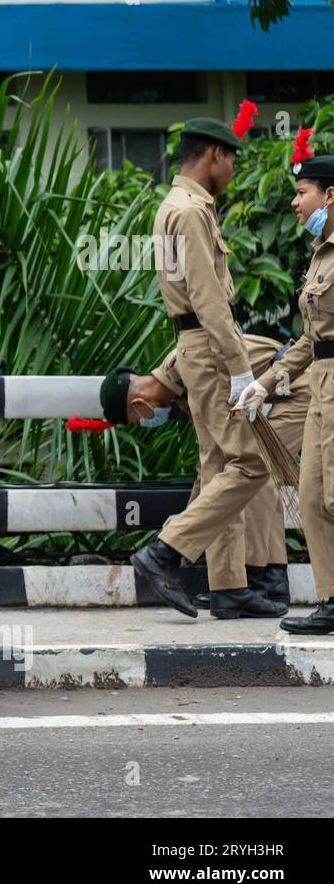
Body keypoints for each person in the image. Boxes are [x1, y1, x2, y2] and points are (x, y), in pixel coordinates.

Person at [130, 109, 285, 620]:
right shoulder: (192, 211)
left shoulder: (172, 205)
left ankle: (228, 586)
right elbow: (209, 300)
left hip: (196, 347)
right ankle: (164, 551)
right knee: (251, 461)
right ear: (214, 155)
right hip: (212, 347)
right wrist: (240, 367)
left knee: (219, 462)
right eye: (232, 159)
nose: (234, 170)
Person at [99, 333, 309, 611]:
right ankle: (270, 583)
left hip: (298, 386)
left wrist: (182, 529)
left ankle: (173, 556)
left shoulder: (188, 370)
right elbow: (208, 465)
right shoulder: (182, 383)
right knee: (251, 472)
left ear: (139, 404)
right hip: (286, 385)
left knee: (248, 469)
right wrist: (189, 519)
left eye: (137, 420)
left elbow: (213, 462)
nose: (146, 422)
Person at [238, 144, 334, 633]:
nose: (295, 204)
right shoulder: (320, 257)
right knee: (313, 494)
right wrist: (266, 381)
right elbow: (309, 339)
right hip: (320, 384)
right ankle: (332, 599)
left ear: (330, 195)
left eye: (302, 193)